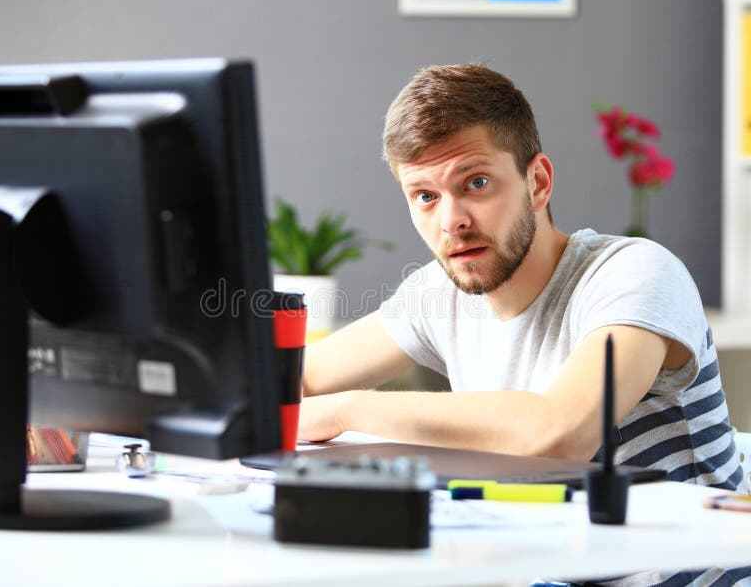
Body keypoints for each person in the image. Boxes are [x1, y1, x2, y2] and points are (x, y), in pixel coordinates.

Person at [298, 63, 750, 585]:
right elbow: (293, 379)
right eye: (425, 196)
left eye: (476, 183)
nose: (452, 221)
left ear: (537, 182)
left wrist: (348, 410)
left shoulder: (636, 271)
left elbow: (560, 434)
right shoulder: (438, 293)